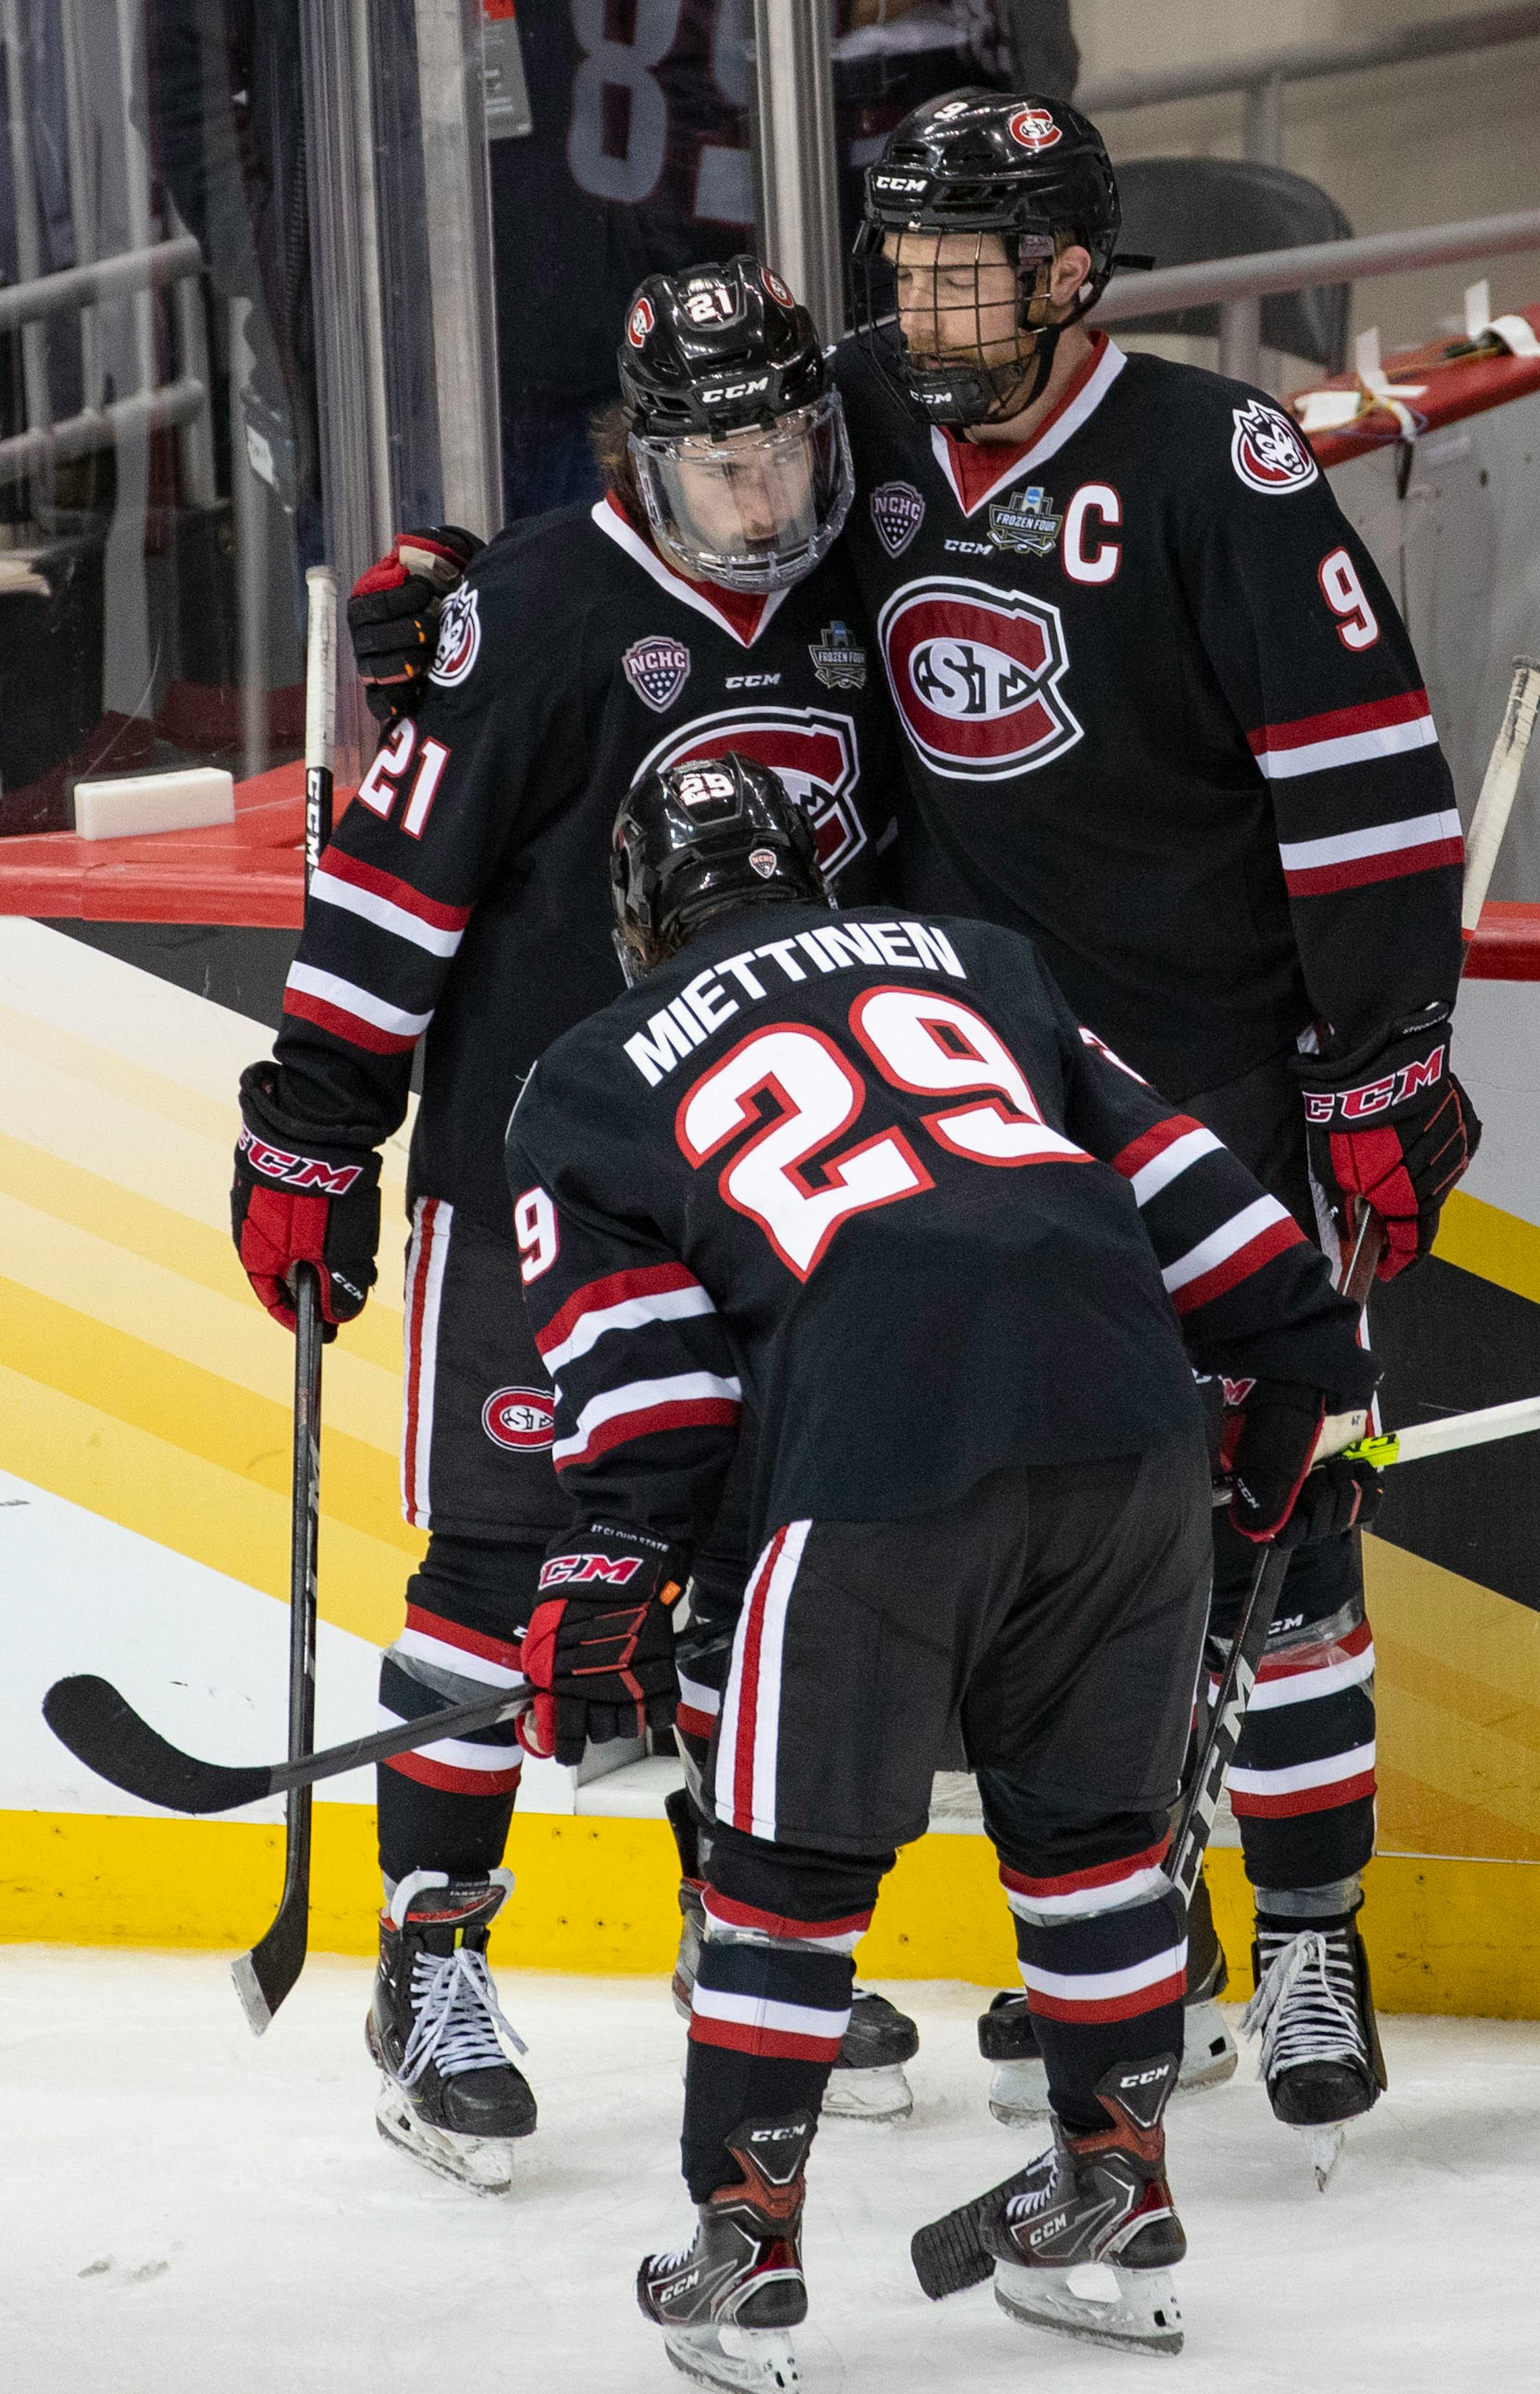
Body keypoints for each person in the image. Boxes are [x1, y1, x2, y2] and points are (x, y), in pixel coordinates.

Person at [504, 755, 1380, 2379]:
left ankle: (744, 2244)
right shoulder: (979, 961)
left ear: (637, 916)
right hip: (1130, 1425)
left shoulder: (582, 1074)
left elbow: (656, 1378)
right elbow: (1185, 1183)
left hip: (878, 1457)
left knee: (783, 1867)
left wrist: (618, 1558)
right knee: (1097, 1839)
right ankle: (1118, 2179)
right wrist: (1304, 1363)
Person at [228, 257, 920, 2194]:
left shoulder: (857, 593)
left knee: (751, 1561)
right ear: (645, 458)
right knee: (501, 1566)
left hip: (777, 1187)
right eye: (725, 465)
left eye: (790, 452)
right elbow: (389, 896)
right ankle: (429, 1961)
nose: (765, 499)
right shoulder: (531, 614)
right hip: (533, 1184)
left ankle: (735, 1933)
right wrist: (311, 1132)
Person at [834, 86, 1480, 2147]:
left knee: (1282, 1527)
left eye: (963, 260)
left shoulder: (1217, 463)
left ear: (1068, 274)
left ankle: (1307, 1929)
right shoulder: (856, 424)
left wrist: (1381, 1066)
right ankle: (1140, 1928)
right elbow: (678, 554)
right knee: (1071, 1552)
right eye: (905, 254)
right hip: (986, 1105)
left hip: (1210, 1089)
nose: (918, 294)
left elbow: (1372, 788)